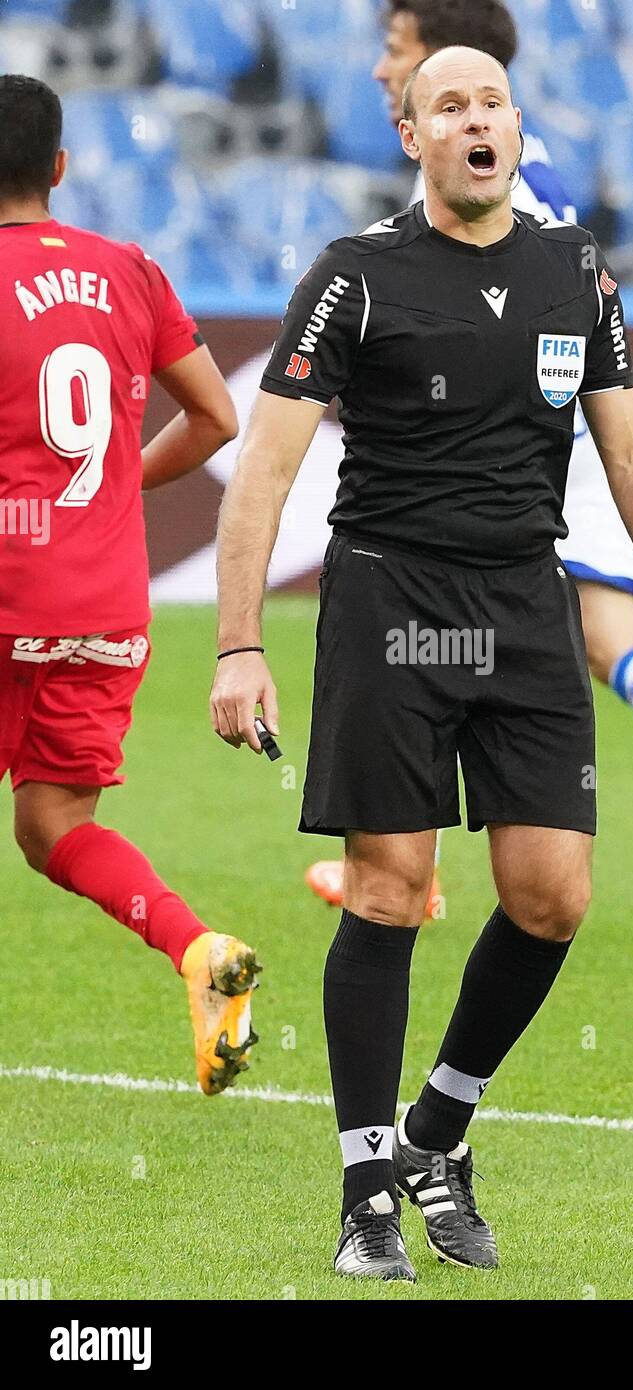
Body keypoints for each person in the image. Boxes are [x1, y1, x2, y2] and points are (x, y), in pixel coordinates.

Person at [211, 45, 633, 1281]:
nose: (474, 122)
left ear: (517, 130)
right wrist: (236, 644)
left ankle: (438, 1129)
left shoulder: (575, 271)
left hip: (526, 602)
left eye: (491, 103)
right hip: (388, 598)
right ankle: (367, 1189)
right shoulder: (354, 280)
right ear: (411, 136)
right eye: (449, 107)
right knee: (387, 891)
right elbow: (262, 475)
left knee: (553, 896)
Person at [306, 0, 633, 936]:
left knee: (536, 633)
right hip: (564, 425)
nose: (380, 66)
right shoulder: (535, 162)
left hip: (531, 440)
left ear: (434, 57)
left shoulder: (473, 186)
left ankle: (411, 858)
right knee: (598, 630)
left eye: (394, 48)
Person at [0, 75, 261, 1095]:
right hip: (99, 604)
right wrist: (112, 486)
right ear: (60, 168)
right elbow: (215, 419)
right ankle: (201, 953)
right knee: (55, 826)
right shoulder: (130, 271)